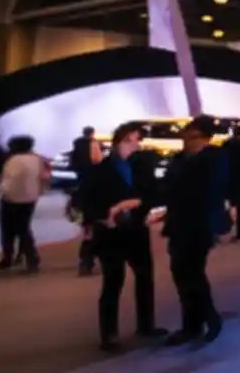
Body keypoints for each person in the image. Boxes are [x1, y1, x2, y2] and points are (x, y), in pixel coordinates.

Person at [84, 123, 168, 351]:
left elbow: (154, 193)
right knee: (113, 282)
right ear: (117, 141)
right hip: (110, 234)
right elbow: (85, 202)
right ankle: (109, 334)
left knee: (144, 277)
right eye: (129, 141)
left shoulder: (141, 166)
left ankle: (146, 324)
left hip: (136, 231)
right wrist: (103, 217)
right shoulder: (100, 170)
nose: (134, 146)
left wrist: (138, 202)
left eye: (136, 140)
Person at [161, 116, 229, 345]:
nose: (184, 140)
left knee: (192, 273)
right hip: (179, 223)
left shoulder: (213, 159)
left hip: (200, 224)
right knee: (182, 273)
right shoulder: (180, 159)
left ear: (201, 137)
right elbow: (169, 187)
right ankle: (193, 324)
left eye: (189, 135)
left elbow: (208, 193)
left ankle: (208, 319)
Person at [0, 136, 49, 272]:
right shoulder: (37, 159)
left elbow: (9, 180)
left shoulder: (14, 160)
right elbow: (44, 177)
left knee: (8, 230)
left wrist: (0, 189)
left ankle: (9, 258)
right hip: (30, 198)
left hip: (12, 199)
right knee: (24, 228)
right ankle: (30, 257)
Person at [71, 126, 102, 276]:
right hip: (97, 208)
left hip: (87, 203)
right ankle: (89, 261)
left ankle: (86, 261)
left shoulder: (77, 143)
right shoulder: (94, 144)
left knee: (89, 232)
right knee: (96, 233)